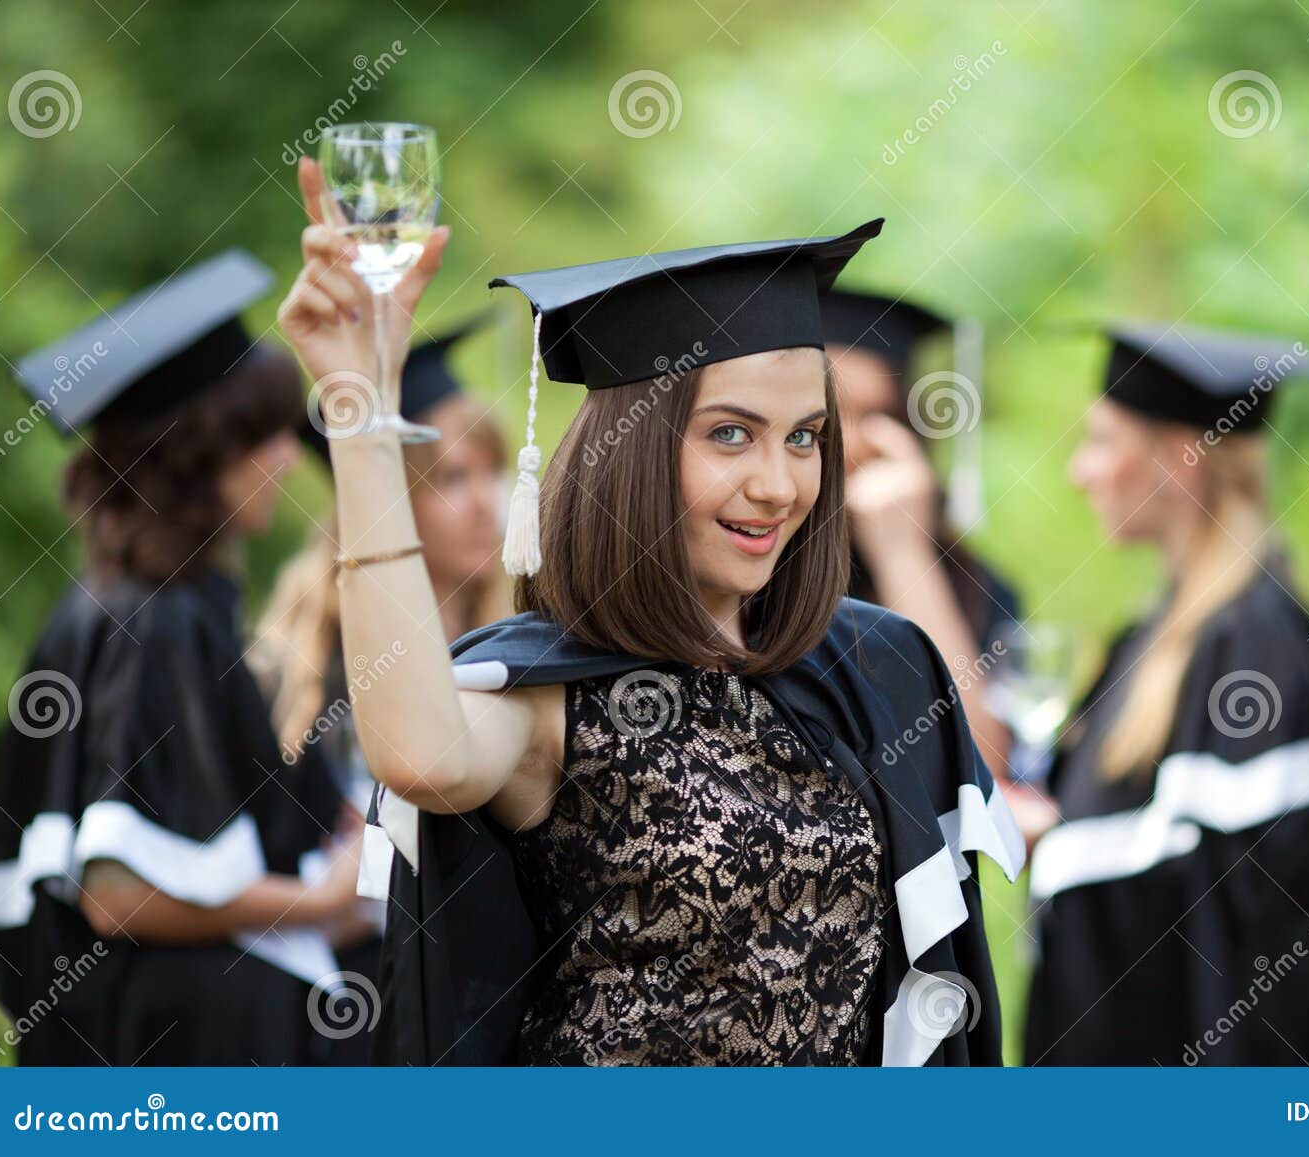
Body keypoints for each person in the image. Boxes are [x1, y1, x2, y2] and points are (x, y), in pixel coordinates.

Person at [276, 157, 1024, 1066]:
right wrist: (363, 413)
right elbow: (420, 755)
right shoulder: (554, 692)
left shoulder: (871, 668)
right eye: (729, 434)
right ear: (632, 455)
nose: (778, 483)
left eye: (804, 437)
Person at [0, 250, 367, 1065]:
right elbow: (120, 895)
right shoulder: (149, 621)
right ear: (197, 453)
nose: (283, 458)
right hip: (159, 1062)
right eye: (260, 436)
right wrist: (325, 896)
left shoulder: (146, 602)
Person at [1022, 321, 1309, 1066]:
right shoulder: (1158, 636)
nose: (1079, 471)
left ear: (1179, 460)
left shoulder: (1255, 641)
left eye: (1101, 441)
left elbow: (1259, 927)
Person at [251, 322, 513, 1062]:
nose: (483, 504)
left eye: (490, 472)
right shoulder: (298, 676)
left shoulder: (523, 651)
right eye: (450, 479)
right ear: (386, 500)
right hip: (340, 1015)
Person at [821, 291, 1020, 777]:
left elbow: (982, 774)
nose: (854, 441)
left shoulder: (972, 584)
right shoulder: (746, 574)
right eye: (825, 415)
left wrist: (903, 553)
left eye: (877, 416)